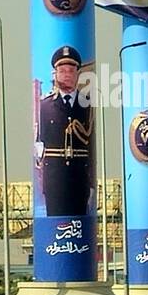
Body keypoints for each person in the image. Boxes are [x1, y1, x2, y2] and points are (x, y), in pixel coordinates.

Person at [35, 45, 93, 217]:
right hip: (55, 177)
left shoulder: (88, 105)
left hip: (80, 176)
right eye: (62, 71)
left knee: (80, 221)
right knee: (55, 222)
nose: (66, 75)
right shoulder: (45, 106)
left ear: (77, 75)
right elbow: (39, 142)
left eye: (71, 70)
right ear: (55, 75)